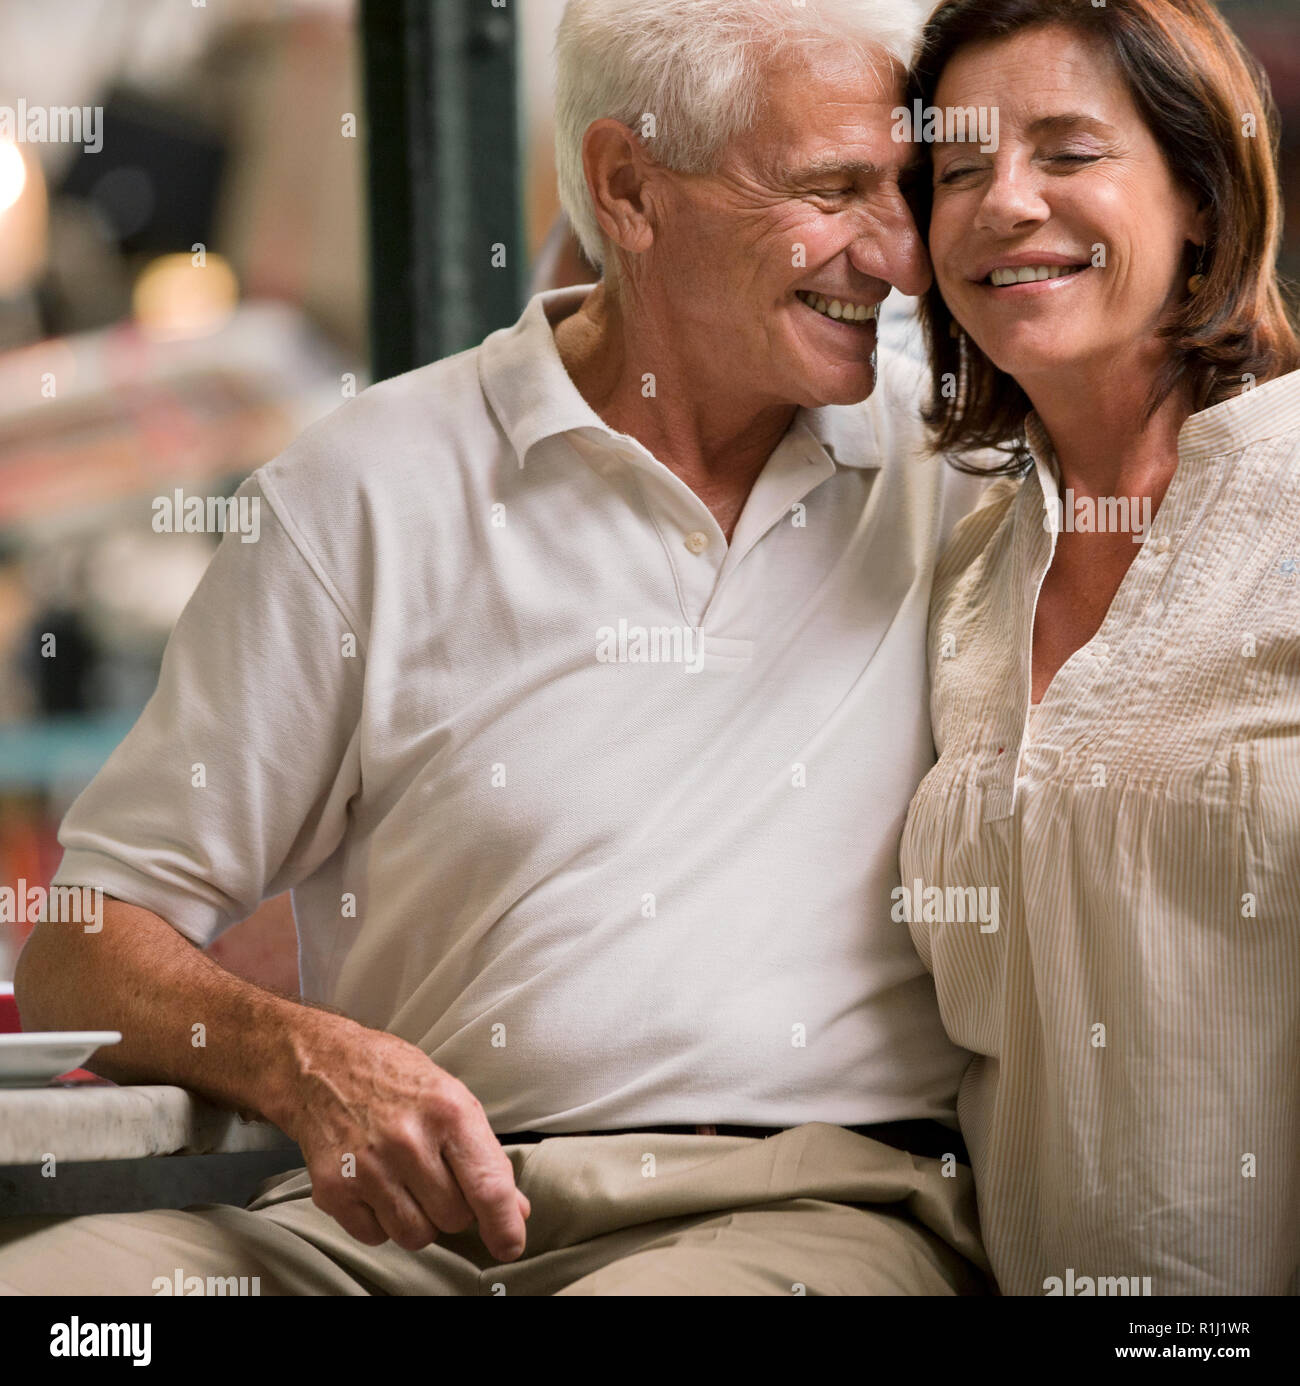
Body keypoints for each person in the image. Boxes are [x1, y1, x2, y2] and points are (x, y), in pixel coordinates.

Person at [3, 0, 988, 1296]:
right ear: (627, 189)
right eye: (833, 190)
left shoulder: (962, 477)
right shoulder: (362, 489)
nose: (902, 255)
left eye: (906, 189)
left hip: (797, 1209)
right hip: (397, 1232)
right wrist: (301, 1057)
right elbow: (82, 939)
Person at [899, 0, 1300, 1294]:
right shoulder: (961, 570)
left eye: (1067, 154)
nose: (1005, 202)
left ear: (1198, 198)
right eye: (958, 171)